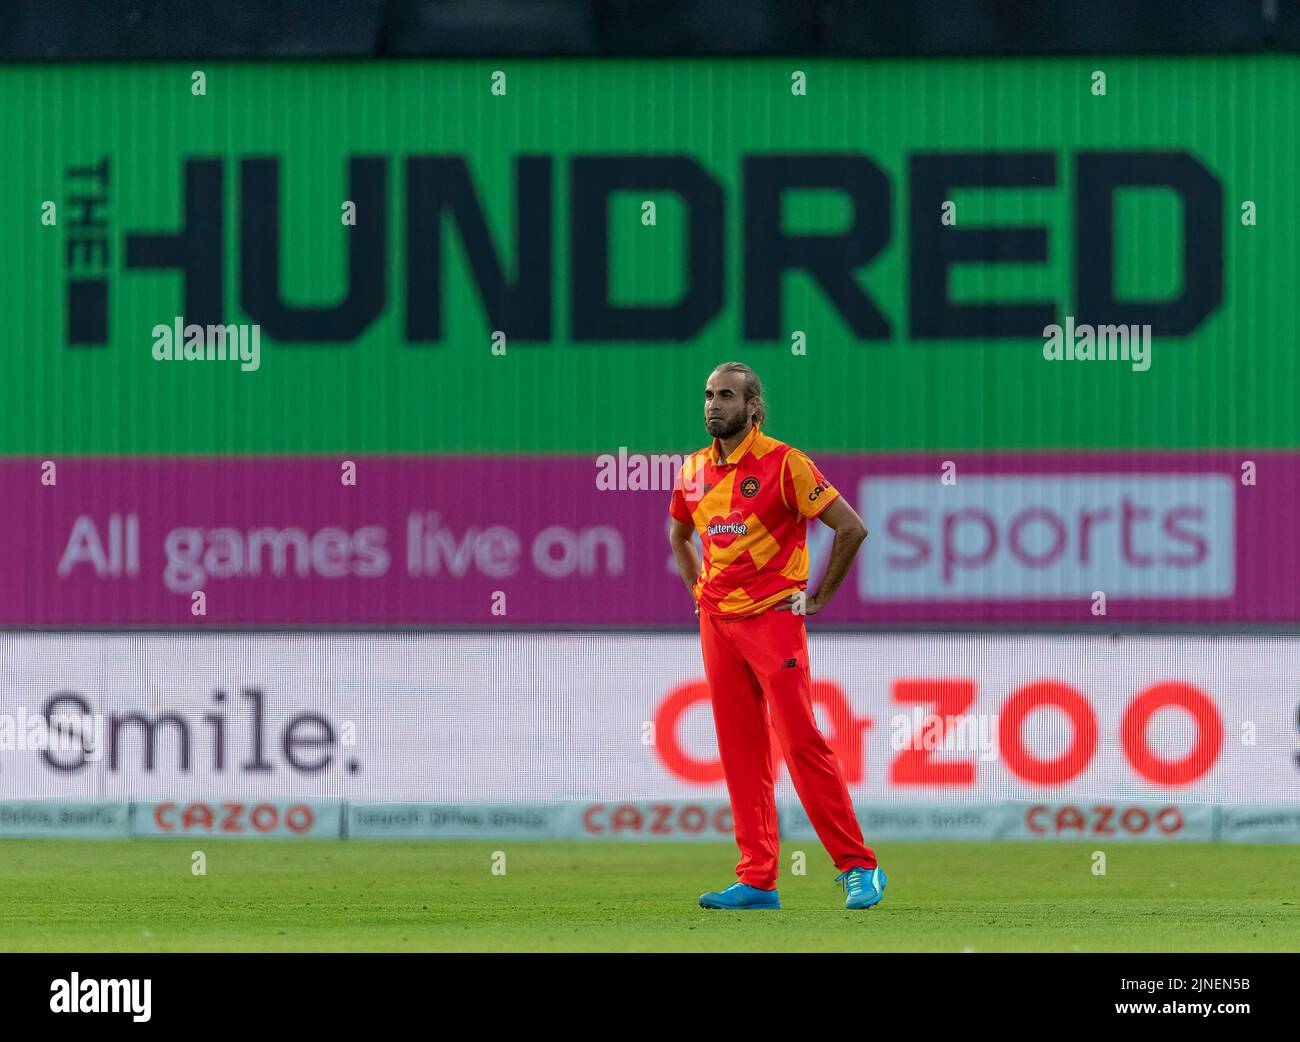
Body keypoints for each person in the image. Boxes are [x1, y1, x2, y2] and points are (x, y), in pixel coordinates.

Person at [667, 361, 886, 911]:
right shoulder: (692, 470)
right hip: (717, 626)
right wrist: (699, 591)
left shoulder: (787, 464)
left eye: (726, 396)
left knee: (800, 743)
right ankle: (758, 879)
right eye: (708, 394)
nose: (713, 405)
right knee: (740, 753)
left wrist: (819, 597)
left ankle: (859, 866)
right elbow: (679, 534)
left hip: (772, 620)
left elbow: (851, 527)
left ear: (753, 407)